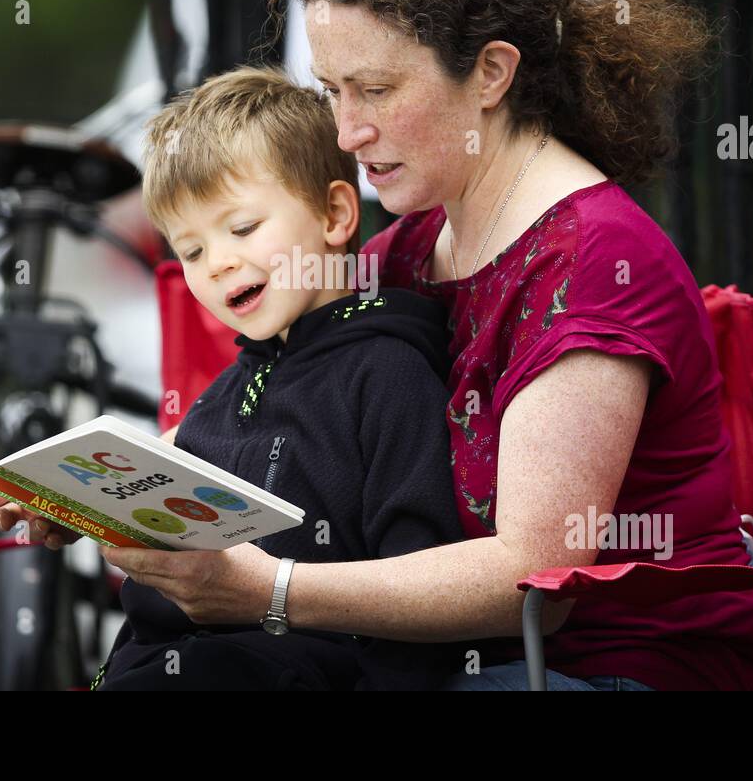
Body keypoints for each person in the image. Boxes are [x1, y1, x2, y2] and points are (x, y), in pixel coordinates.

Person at [0, 0, 753, 691]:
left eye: (377, 90)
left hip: (612, 671)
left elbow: (535, 579)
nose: (347, 132)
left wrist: (271, 593)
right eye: (331, 91)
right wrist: (98, 503)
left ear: (492, 73)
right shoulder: (414, 241)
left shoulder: (595, 258)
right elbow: (296, 445)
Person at [91, 66, 473, 690]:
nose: (218, 263)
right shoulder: (233, 386)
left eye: (242, 229)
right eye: (190, 251)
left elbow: (420, 579)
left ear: (334, 214)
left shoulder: (387, 372)